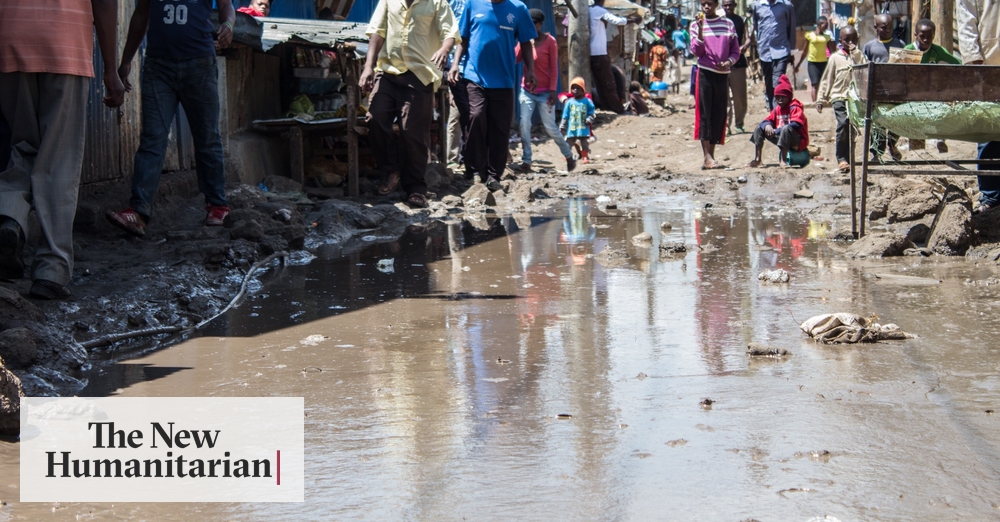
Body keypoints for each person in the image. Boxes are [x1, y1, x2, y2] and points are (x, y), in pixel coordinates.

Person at [0, 0, 125, 300]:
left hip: (12, 36)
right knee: (59, 158)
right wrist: (111, 69)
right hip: (64, 41)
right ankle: (51, 270)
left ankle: (9, 219)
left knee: (22, 146)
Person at [107, 0, 234, 237]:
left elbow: (227, 6)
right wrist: (125, 62)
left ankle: (218, 206)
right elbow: (141, 14)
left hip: (200, 65)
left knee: (207, 137)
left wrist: (228, 24)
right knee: (152, 138)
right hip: (158, 67)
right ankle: (138, 212)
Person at [358, 0, 458, 208]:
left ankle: (416, 188)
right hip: (387, 71)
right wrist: (368, 67)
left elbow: (450, 32)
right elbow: (377, 31)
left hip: (419, 74)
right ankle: (392, 168)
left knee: (412, 131)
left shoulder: (437, 3)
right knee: (375, 118)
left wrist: (444, 49)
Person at [449, 0, 537, 191]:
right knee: (475, 116)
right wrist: (456, 64)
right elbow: (462, 38)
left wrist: (530, 70)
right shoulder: (473, 4)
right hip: (474, 76)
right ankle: (473, 169)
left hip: (504, 80)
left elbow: (526, 42)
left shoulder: (518, 9)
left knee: (500, 128)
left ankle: (493, 174)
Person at [515, 9, 575, 173]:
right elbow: (516, 59)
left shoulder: (551, 42)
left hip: (544, 93)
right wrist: (522, 42)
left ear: (540, 24)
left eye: (534, 24)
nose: (531, 27)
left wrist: (552, 90)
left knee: (550, 128)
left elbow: (554, 68)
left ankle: (568, 155)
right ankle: (527, 160)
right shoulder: (525, 41)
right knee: (524, 123)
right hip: (527, 90)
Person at [957, 0, 1000, 212]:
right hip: (990, 61)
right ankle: (991, 195)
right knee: (989, 130)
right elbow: (966, 20)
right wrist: (974, 60)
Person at [690, 0, 741, 169]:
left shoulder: (728, 24)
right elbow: (697, 51)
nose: (706, 7)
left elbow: (735, 50)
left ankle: (711, 156)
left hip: (722, 74)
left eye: (710, 3)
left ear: (716, 4)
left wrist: (728, 61)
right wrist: (701, 31)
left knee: (718, 114)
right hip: (704, 72)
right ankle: (707, 156)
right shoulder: (695, 25)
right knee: (705, 114)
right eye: (703, 4)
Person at [902, 19, 960, 154]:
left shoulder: (938, 51)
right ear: (915, 35)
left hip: (932, 93)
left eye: (930, 36)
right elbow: (895, 71)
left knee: (943, 108)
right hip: (912, 94)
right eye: (922, 36)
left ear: (934, 35)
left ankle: (940, 139)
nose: (926, 39)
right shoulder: (908, 51)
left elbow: (957, 63)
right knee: (914, 119)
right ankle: (916, 147)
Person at [816, 25, 862, 173]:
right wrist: (821, 99)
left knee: (852, 127)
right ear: (840, 40)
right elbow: (827, 79)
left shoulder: (859, 55)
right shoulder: (835, 58)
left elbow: (865, 67)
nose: (850, 43)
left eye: (853, 39)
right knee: (843, 123)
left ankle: (849, 156)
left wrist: (856, 53)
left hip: (855, 98)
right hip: (839, 96)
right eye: (846, 40)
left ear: (857, 39)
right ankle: (841, 158)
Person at [862, 13, 904, 162]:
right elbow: (864, 69)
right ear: (876, 28)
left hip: (896, 92)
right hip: (877, 92)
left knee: (895, 121)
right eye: (884, 27)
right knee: (878, 123)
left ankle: (892, 146)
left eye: (890, 27)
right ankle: (877, 154)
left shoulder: (900, 45)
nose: (888, 30)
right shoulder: (869, 47)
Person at [590, 0, 642, 114]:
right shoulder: (599, 10)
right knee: (609, 84)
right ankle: (618, 109)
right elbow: (617, 20)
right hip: (599, 54)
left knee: (600, 84)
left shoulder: (589, 11)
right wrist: (634, 20)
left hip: (592, 54)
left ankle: (607, 107)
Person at [747, 74, 809, 168]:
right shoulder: (777, 109)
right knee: (760, 128)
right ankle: (757, 159)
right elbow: (766, 120)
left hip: (797, 141)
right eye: (777, 97)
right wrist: (767, 125)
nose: (779, 100)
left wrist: (777, 131)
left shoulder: (795, 107)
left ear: (789, 97)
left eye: (782, 97)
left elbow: (797, 124)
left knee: (786, 128)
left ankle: (783, 161)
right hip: (783, 138)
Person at [749, 0, 796, 110]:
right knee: (769, 82)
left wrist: (792, 52)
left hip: (782, 50)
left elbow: (791, 29)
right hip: (764, 51)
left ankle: (777, 112)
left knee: (778, 81)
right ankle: (772, 110)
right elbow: (755, 26)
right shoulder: (757, 6)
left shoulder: (787, 6)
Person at [793, 16, 835, 103]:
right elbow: (805, 51)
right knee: (814, 84)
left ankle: (823, 102)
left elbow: (832, 51)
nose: (827, 27)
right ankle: (815, 103)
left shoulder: (827, 37)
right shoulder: (810, 35)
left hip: (824, 63)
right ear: (819, 25)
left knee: (823, 83)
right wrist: (798, 65)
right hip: (813, 63)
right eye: (825, 25)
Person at [722, 0, 749, 133]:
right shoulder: (719, 21)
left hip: (738, 63)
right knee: (724, 97)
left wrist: (745, 45)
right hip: (722, 64)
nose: (728, 7)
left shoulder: (741, 20)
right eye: (725, 5)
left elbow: (749, 37)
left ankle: (739, 124)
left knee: (739, 96)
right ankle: (726, 125)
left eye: (730, 5)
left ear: (735, 6)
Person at [560, 77, 596, 164]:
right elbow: (565, 115)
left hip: (583, 127)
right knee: (569, 142)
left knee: (584, 142)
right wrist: (562, 126)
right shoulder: (569, 102)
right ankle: (568, 156)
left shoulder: (587, 101)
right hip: (572, 127)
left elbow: (592, 113)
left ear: (583, 89)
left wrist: (589, 119)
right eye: (573, 88)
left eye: (578, 88)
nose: (575, 90)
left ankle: (585, 156)